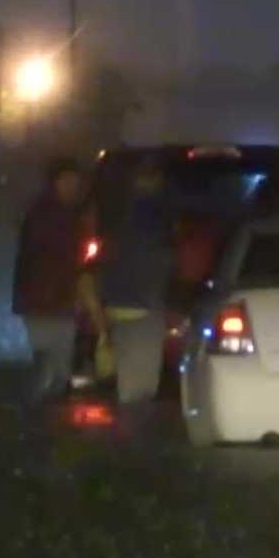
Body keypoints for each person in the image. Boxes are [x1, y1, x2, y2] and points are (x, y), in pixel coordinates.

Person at [99, 157, 174, 405]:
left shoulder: (118, 216)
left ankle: (124, 426)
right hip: (145, 303)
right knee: (142, 380)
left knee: (127, 372)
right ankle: (136, 429)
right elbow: (162, 261)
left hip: (118, 302)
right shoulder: (157, 217)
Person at [12, 157, 85, 403]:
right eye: (71, 182)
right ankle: (50, 410)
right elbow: (53, 257)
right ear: (59, 182)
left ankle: (47, 410)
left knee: (50, 359)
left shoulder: (46, 211)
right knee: (54, 359)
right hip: (49, 300)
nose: (75, 187)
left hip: (46, 300)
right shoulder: (54, 214)